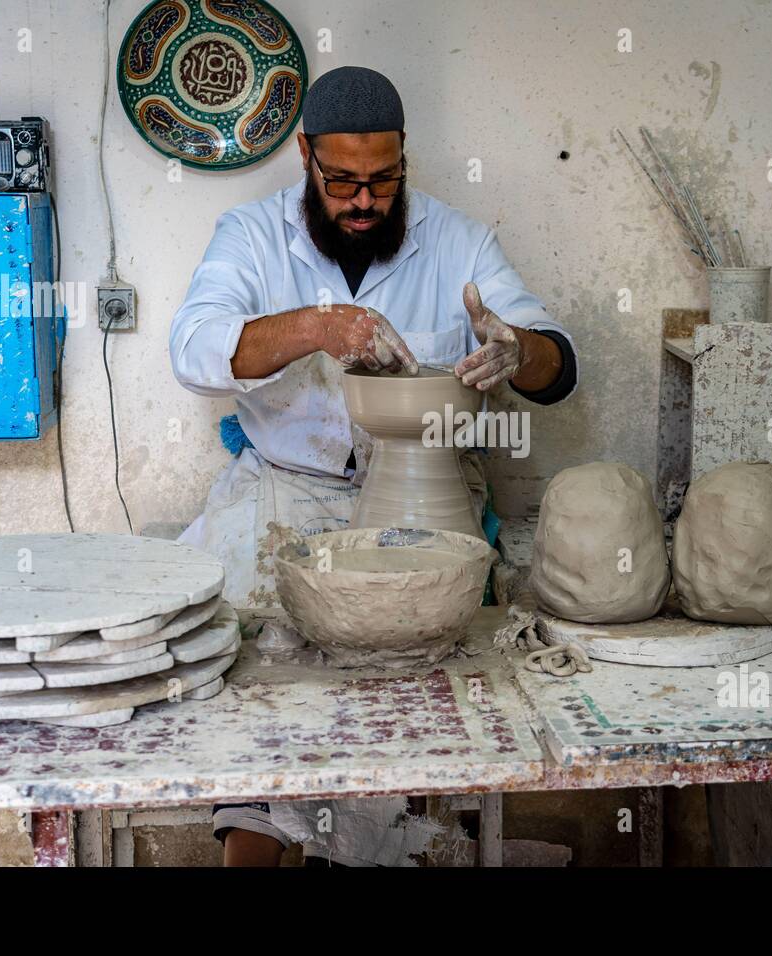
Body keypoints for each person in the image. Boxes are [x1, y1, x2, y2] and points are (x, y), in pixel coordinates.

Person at [170, 66, 578, 866]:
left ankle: (388, 844)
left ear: (405, 162)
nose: (364, 201)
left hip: (423, 502)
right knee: (255, 679)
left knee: (412, 687)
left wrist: (514, 349)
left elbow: (556, 365)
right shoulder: (251, 235)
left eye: (383, 181)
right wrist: (317, 326)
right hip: (286, 492)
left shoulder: (458, 240)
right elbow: (192, 348)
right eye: (344, 182)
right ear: (305, 160)